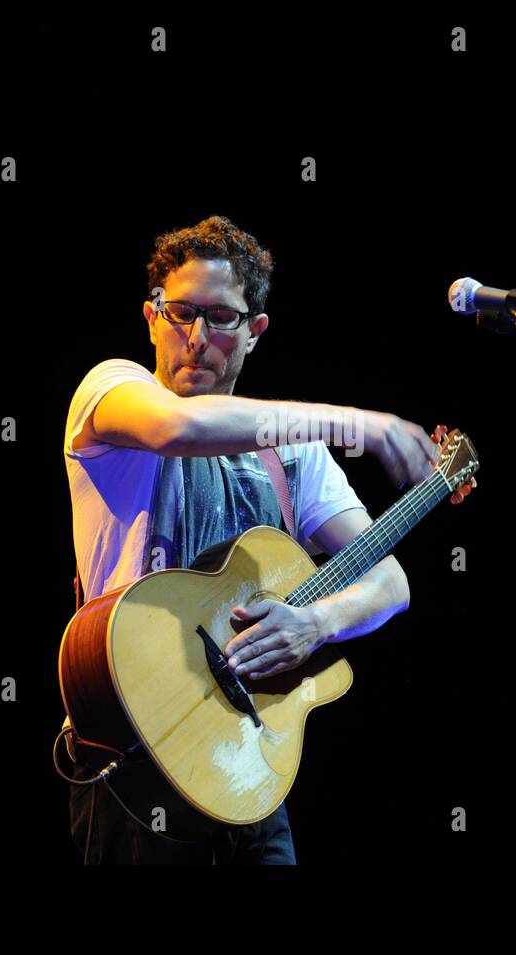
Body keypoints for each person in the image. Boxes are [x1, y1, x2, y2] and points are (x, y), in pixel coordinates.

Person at [64, 215, 437, 863]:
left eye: (222, 318)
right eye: (180, 313)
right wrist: (360, 423)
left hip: (248, 776)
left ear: (255, 330)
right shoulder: (112, 392)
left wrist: (314, 622)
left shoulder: (299, 456)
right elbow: (176, 428)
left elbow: (391, 580)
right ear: (151, 317)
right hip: (136, 766)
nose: (199, 338)